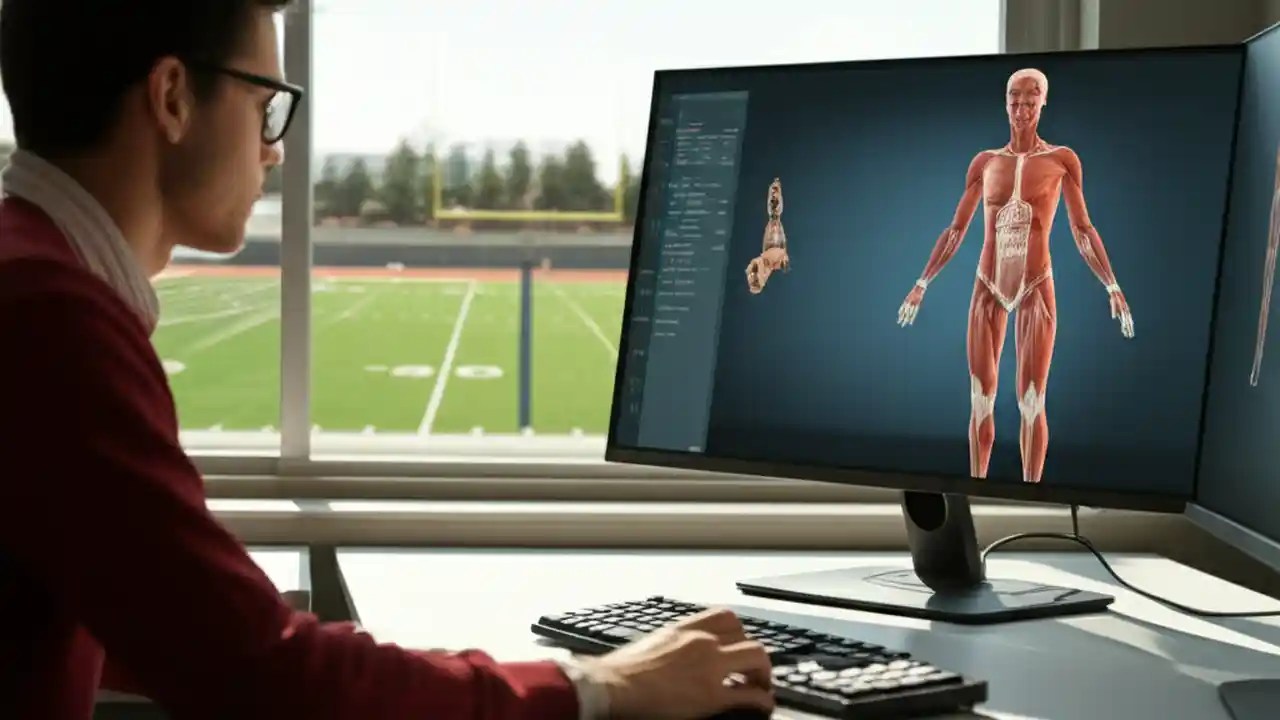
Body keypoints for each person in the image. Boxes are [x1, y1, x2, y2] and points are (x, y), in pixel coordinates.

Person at [0, 1, 774, 718]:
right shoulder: (51, 316)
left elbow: (158, 625)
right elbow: (254, 674)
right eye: (264, 104)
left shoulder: (33, 282)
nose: (273, 151)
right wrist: (598, 686)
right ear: (172, 97)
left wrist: (402, 671)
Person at [895, 67, 1134, 485]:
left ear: (1044, 101)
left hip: (1036, 285)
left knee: (1031, 401)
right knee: (979, 400)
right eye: (1014, 97)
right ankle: (974, 490)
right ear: (1004, 101)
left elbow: (1083, 229)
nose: (1021, 107)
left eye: (1031, 97)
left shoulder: (1061, 160)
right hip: (986, 284)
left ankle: (1030, 495)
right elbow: (956, 230)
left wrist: (1111, 285)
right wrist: (922, 283)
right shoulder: (985, 162)